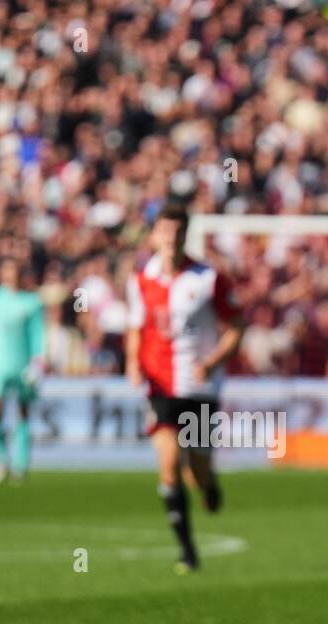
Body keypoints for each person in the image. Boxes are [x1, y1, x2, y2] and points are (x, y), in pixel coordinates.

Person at [125, 202, 244, 573]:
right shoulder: (141, 280)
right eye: (164, 231)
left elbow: (237, 326)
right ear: (154, 235)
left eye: (177, 233)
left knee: (197, 470)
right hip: (160, 386)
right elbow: (136, 327)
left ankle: (209, 486)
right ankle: (188, 552)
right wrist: (132, 362)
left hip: (198, 388)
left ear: (186, 235)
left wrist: (211, 362)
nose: (170, 239)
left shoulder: (208, 278)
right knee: (169, 464)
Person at [0, 259, 46, 485]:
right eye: (7, 270)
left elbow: (37, 334)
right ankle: (0, 458)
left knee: (22, 412)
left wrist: (38, 363)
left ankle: (20, 464)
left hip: (21, 363)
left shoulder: (31, 302)